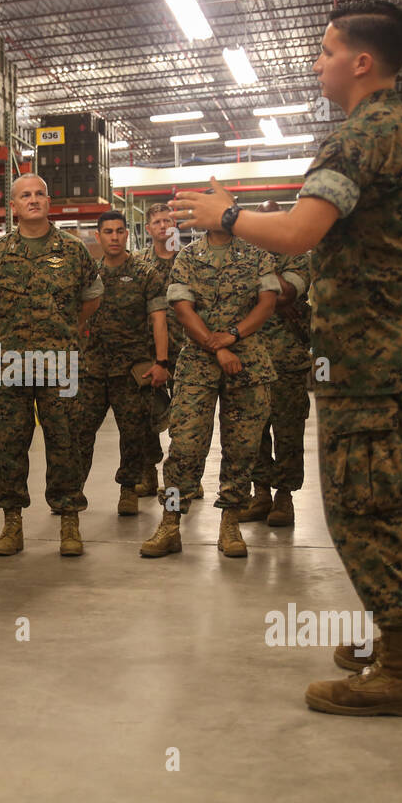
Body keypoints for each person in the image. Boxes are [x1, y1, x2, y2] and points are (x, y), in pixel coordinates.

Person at [169, 0, 402, 717]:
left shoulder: (361, 137)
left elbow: (297, 233)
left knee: (365, 506)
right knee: (395, 501)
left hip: (370, 365)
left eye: (326, 51)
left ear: (362, 61)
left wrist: (224, 217)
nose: (317, 62)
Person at [0, 174, 102, 557]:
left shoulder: (74, 249)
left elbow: (91, 297)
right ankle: (12, 524)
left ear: (49, 201)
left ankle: (68, 522)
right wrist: (9, 328)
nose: (33, 199)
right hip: (10, 361)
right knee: (10, 443)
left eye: (40, 194)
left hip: (59, 360)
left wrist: (69, 327)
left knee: (66, 440)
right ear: (12, 206)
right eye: (24, 195)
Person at [139, 207, 279, 560]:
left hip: (247, 361)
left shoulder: (256, 254)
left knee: (242, 448)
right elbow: (183, 309)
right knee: (184, 446)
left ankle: (230, 525)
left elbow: (267, 303)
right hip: (199, 363)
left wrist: (232, 336)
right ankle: (170, 523)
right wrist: (216, 347)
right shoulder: (187, 256)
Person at [72, 211, 169, 516]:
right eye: (108, 232)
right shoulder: (88, 274)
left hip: (131, 369)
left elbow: (158, 320)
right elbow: (76, 319)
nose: (114, 237)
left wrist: (162, 363)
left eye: (119, 231)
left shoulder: (145, 273)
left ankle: (128, 488)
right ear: (98, 237)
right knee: (81, 432)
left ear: (127, 234)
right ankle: (72, 493)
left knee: (133, 433)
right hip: (93, 368)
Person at [238, 200, 312, 529]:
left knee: (288, 432)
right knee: (252, 432)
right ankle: (261, 493)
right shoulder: (242, 254)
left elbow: (285, 293)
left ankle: (285, 496)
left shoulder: (295, 254)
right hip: (250, 359)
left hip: (287, 362)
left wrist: (262, 273)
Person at [135, 202, 184, 497]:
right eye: (158, 222)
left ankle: (182, 476)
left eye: (169, 220)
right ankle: (148, 473)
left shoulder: (189, 260)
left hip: (185, 350)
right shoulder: (140, 263)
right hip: (149, 352)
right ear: (149, 228)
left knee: (185, 418)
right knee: (145, 415)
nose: (164, 226)